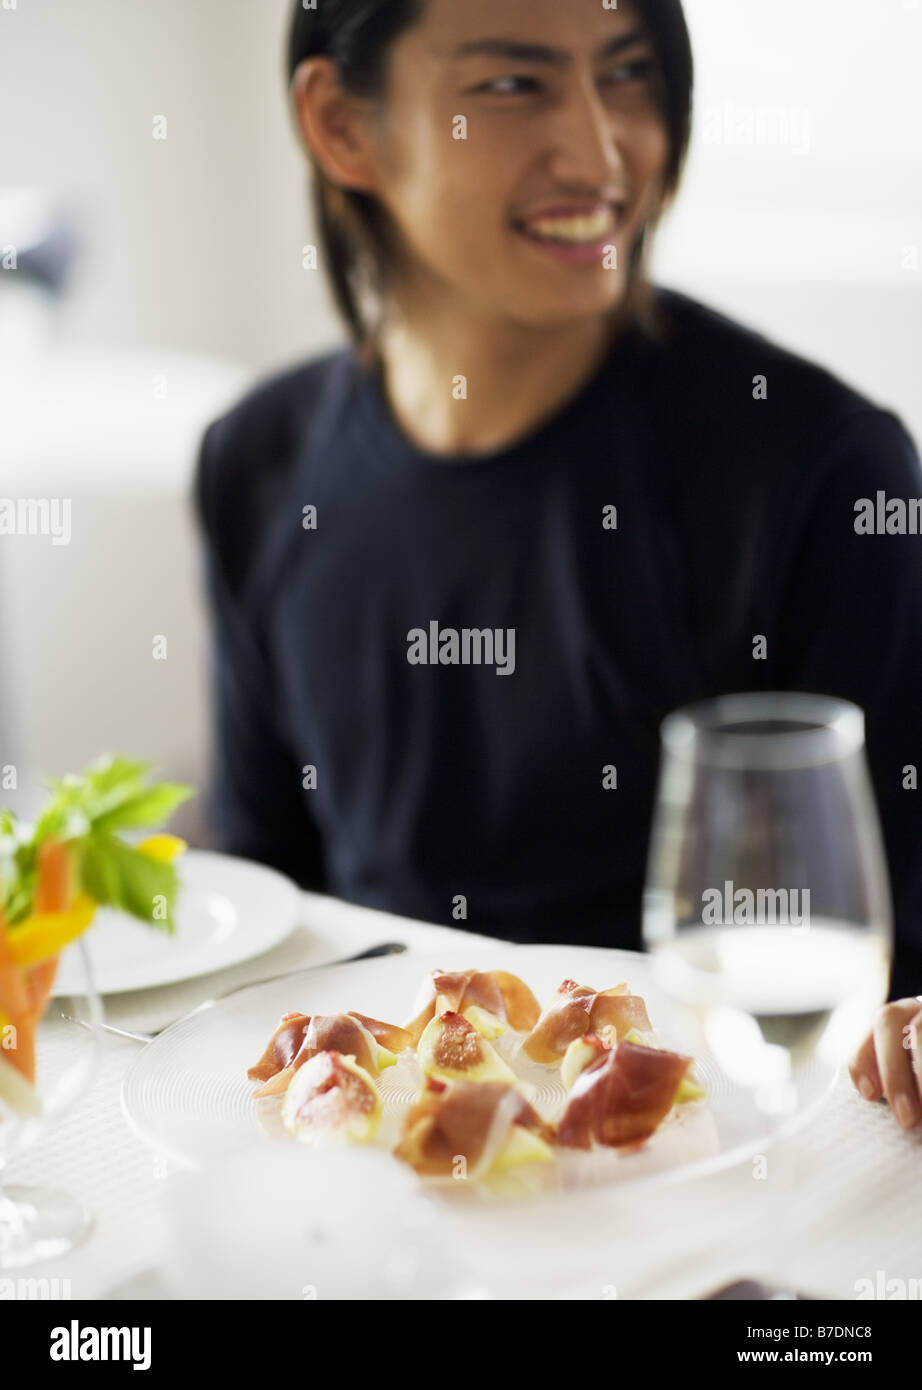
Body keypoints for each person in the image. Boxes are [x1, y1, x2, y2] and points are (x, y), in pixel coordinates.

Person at [193, 0, 922, 1129]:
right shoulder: (254, 463)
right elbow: (270, 926)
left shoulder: (821, 471)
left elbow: (895, 959)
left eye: (629, 72)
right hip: (385, 1189)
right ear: (343, 125)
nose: (601, 151)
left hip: (729, 1169)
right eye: (512, 84)